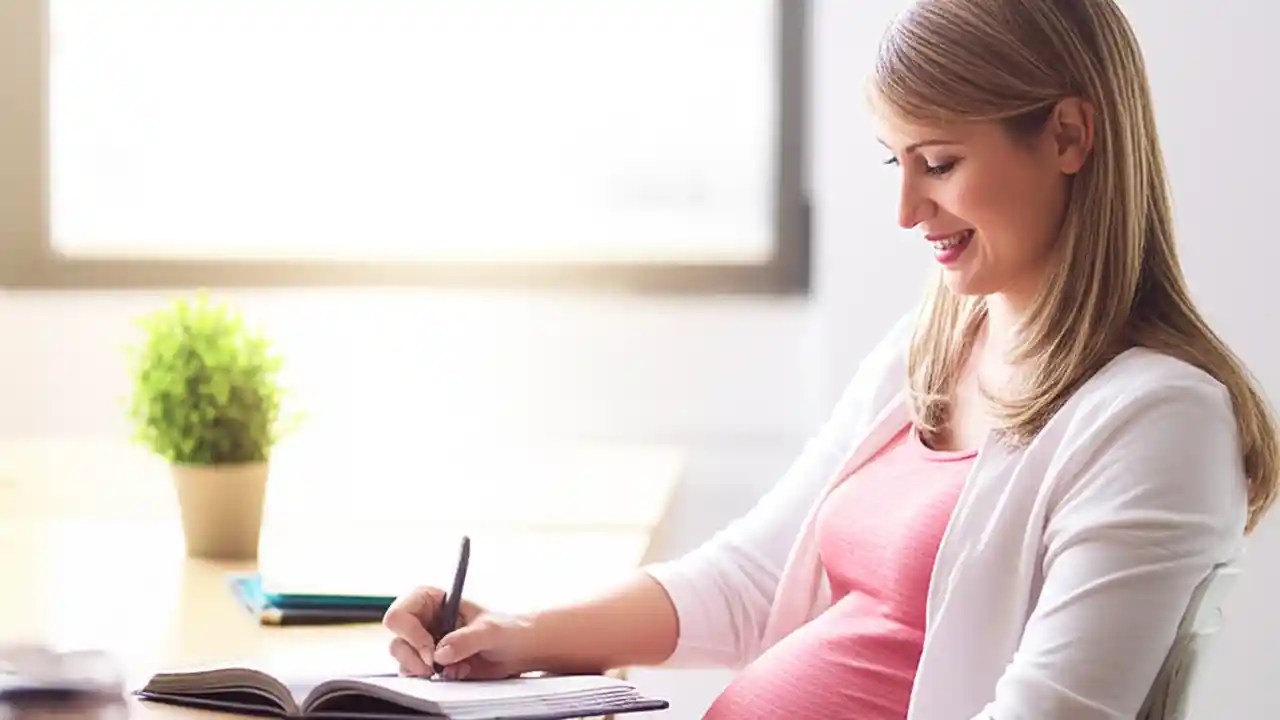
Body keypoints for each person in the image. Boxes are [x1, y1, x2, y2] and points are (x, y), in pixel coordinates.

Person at [383, 1, 1278, 717]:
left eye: (937, 161)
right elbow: (753, 577)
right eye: (894, 159)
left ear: (1070, 138)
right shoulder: (934, 345)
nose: (905, 210)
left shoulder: (1158, 421)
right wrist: (515, 633)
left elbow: (1053, 711)